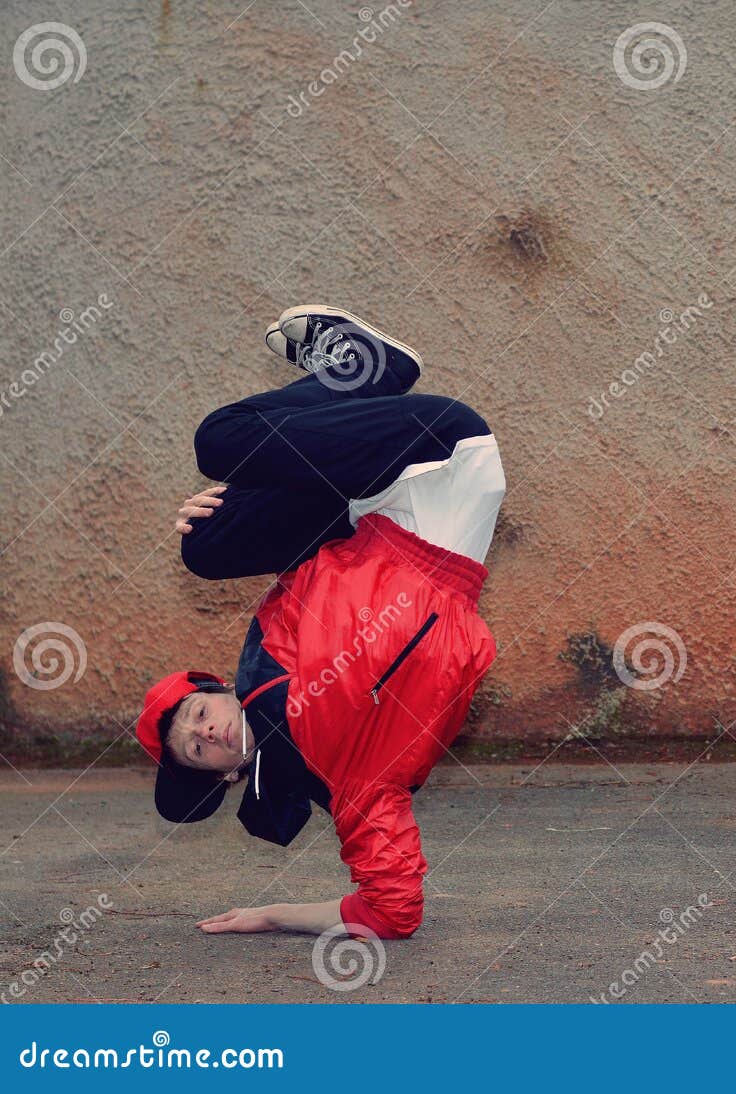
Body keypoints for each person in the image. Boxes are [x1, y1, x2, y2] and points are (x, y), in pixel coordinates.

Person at [135, 305, 504, 942]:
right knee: (220, 441)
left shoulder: (273, 645)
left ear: (217, 688)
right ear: (225, 774)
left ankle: (358, 368)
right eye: (198, 749)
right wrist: (274, 916)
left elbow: (308, 551)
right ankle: (364, 370)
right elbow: (393, 912)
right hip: (442, 470)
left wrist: (225, 511)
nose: (209, 731)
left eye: (198, 714)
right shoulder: (349, 784)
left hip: (385, 493)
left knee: (204, 533)